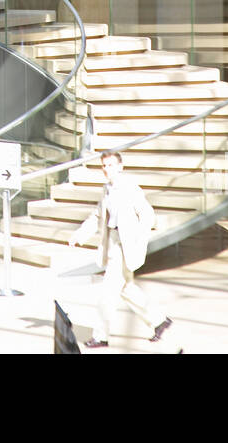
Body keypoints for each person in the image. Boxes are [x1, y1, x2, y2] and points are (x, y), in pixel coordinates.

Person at [68, 149, 173, 348]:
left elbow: (148, 215)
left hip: (124, 246)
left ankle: (100, 335)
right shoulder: (106, 188)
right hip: (113, 241)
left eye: (110, 165)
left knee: (108, 291)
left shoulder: (130, 188)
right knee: (126, 288)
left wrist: (137, 239)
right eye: (104, 166)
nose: (107, 169)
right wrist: (79, 235)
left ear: (120, 167)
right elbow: (97, 216)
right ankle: (159, 320)